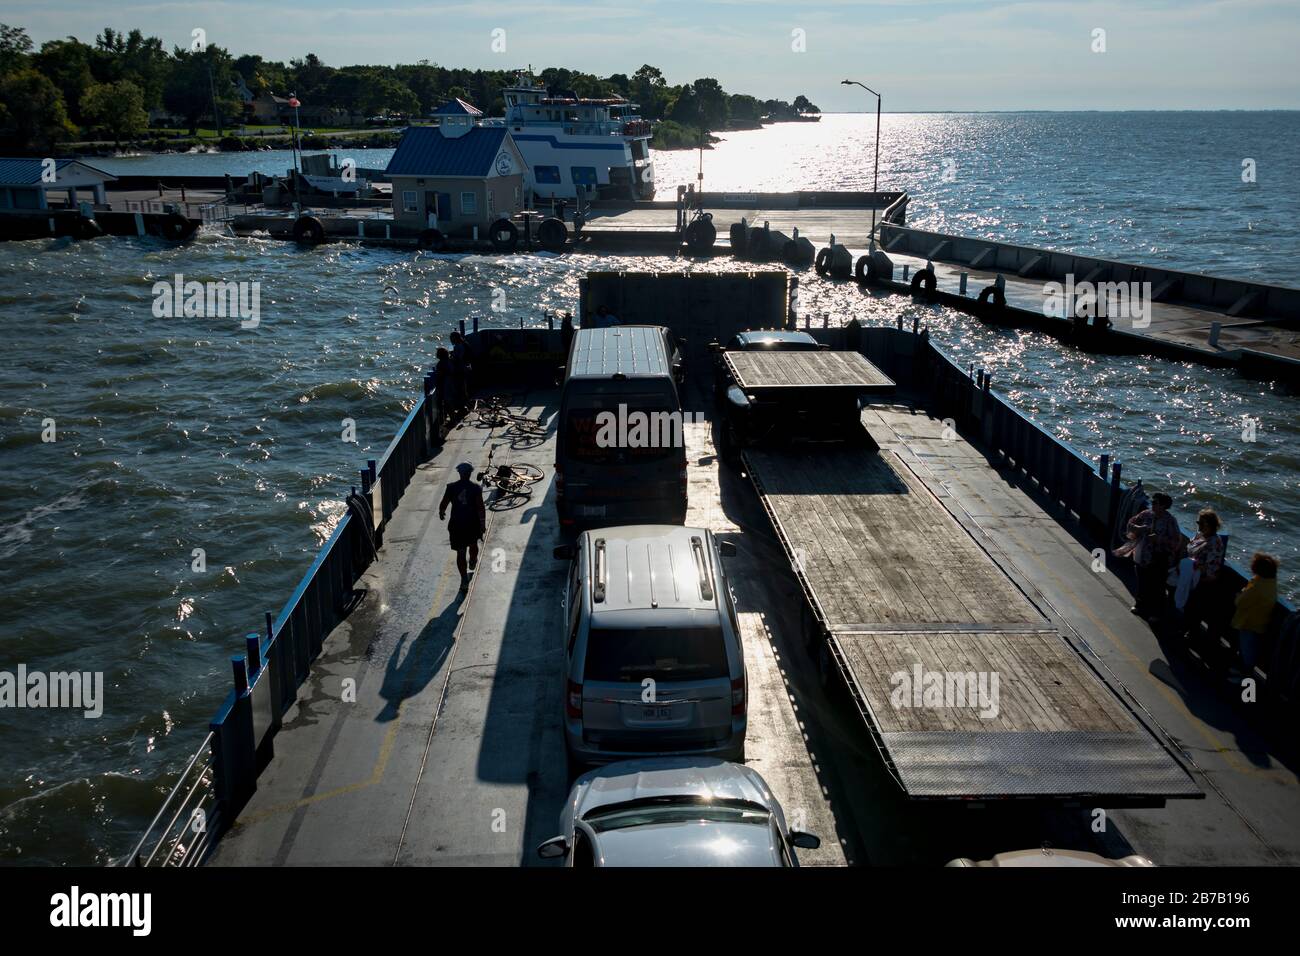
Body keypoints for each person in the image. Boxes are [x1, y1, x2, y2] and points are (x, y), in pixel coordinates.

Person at [1124, 491, 1181, 622]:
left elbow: (1176, 542)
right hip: (1143, 554)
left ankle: (1156, 612)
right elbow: (1130, 524)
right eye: (1152, 502)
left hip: (1159, 557)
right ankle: (1140, 605)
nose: (1152, 505)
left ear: (1163, 506)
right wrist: (1137, 528)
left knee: (1157, 586)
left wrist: (1159, 539)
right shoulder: (1146, 514)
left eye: (1155, 503)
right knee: (1142, 581)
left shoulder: (1170, 521)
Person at [1229, 552, 1279, 679]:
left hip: (1247, 623)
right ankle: (1244, 671)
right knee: (1251, 648)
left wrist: (1239, 595)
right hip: (1260, 623)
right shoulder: (1271, 583)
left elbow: (1240, 602)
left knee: (1246, 650)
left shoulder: (1256, 587)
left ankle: (1244, 674)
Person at [439, 462, 486, 592]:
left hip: (456, 525)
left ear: (459, 473)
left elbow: (444, 503)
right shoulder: (476, 488)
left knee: (460, 552)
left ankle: (464, 579)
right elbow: (480, 508)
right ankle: (472, 559)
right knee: (473, 545)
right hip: (472, 524)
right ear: (470, 473)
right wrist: (482, 524)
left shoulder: (451, 487)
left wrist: (441, 511)